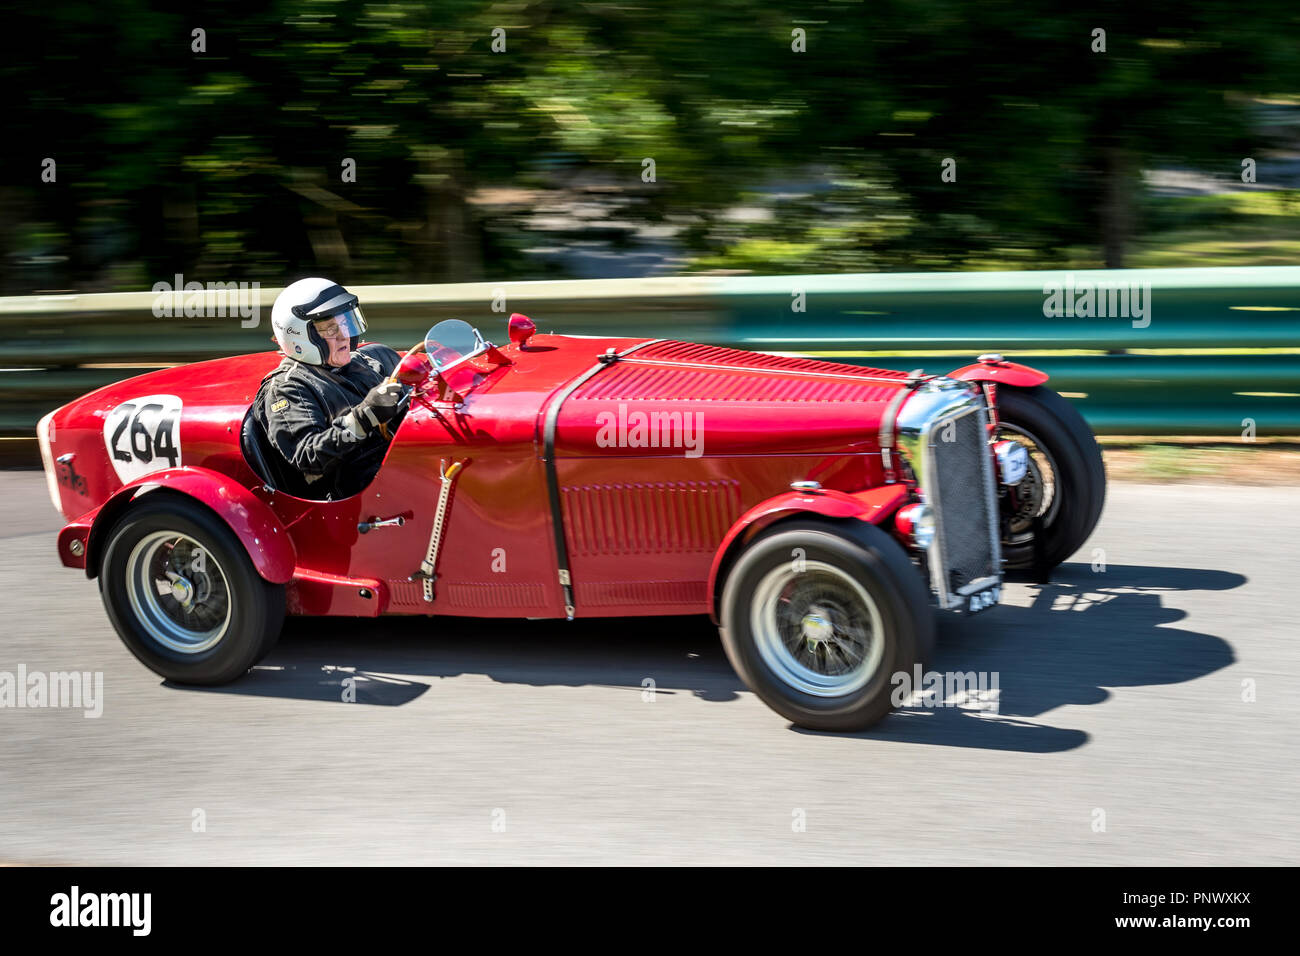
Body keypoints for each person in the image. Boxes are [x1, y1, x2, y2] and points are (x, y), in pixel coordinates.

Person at [254, 277, 406, 500]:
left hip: (400, 464)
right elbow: (308, 455)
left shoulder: (367, 360)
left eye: (345, 323)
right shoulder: (288, 388)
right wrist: (364, 417)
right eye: (330, 329)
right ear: (302, 337)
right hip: (358, 495)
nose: (344, 335)